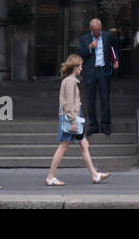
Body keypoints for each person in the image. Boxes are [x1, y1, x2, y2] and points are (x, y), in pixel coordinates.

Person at [45, 54, 109, 186]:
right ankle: (50, 177)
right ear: (75, 67)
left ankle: (94, 175)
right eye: (80, 66)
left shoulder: (70, 80)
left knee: (84, 144)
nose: (82, 68)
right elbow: (68, 103)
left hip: (73, 117)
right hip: (71, 118)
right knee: (63, 146)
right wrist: (73, 121)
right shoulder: (70, 81)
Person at [77, 17, 119, 135]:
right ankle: (93, 125)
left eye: (99, 31)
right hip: (90, 71)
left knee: (105, 99)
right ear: (91, 29)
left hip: (103, 70)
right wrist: (89, 48)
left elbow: (112, 49)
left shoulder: (107, 36)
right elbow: (79, 54)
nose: (97, 33)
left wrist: (116, 60)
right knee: (90, 101)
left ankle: (105, 125)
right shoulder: (84, 39)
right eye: (95, 31)